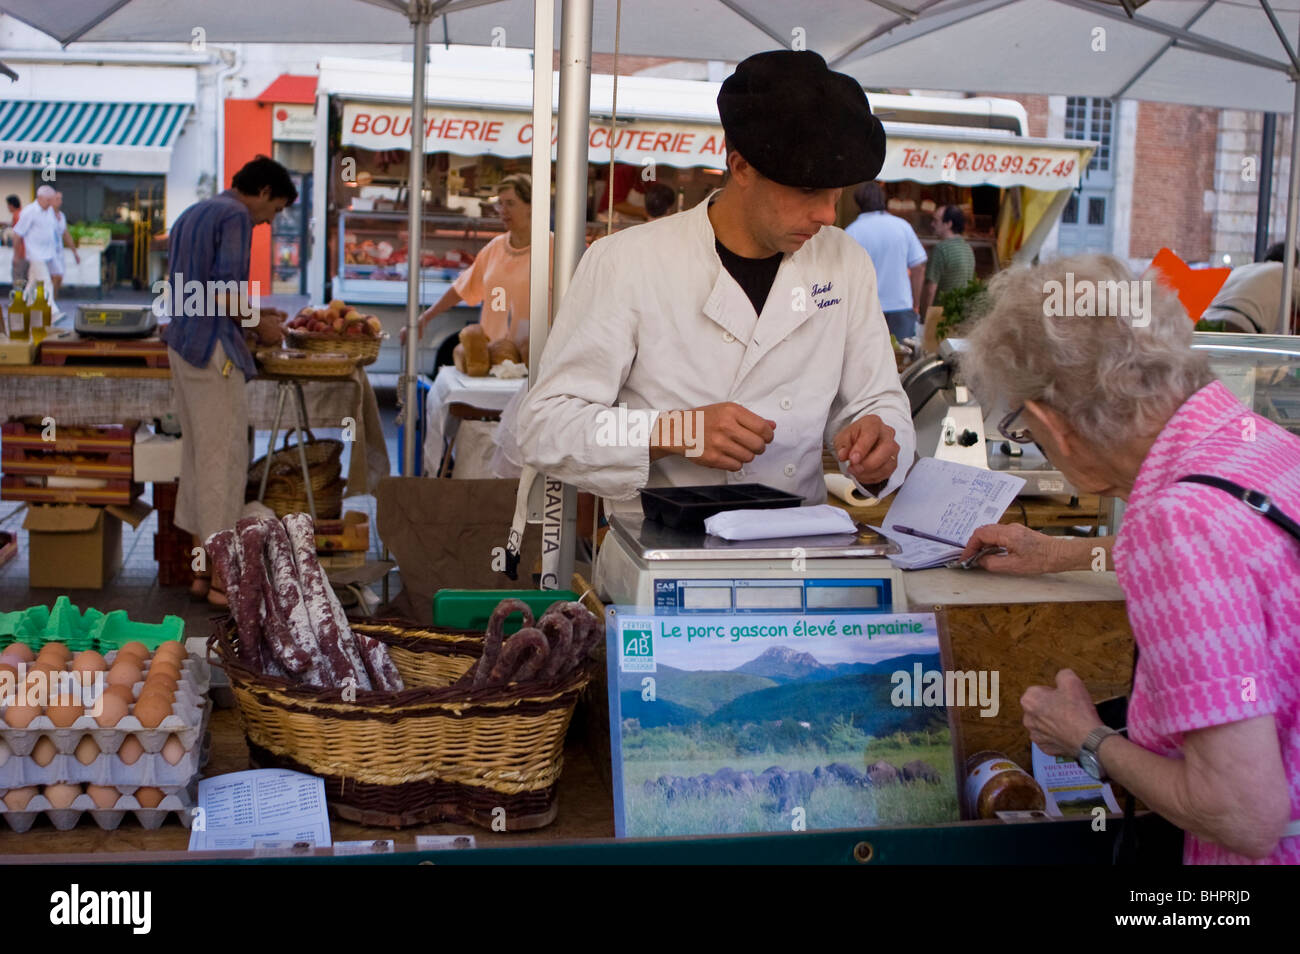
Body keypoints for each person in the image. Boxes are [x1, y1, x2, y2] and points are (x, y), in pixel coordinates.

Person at [956, 253, 1299, 864]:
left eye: (1024, 431)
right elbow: (1238, 559)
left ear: (1051, 425)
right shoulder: (1257, 445)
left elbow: (1244, 814)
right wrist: (1058, 551)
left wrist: (1085, 737)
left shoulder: (1174, 523)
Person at [516, 50, 913, 515]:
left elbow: (876, 399)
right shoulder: (626, 261)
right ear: (741, 167)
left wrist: (878, 442)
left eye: (837, 193)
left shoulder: (846, 263)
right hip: (664, 559)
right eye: (808, 191)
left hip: (798, 551)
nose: (827, 215)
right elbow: (545, 426)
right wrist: (674, 431)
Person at [162, 156, 297, 604]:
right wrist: (261, 325)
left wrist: (256, 316)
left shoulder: (193, 212)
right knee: (223, 460)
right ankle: (223, 580)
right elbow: (225, 293)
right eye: (274, 209)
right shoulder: (236, 214)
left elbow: (199, 287)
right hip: (213, 351)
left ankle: (202, 572)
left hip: (183, 345)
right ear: (261, 193)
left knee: (199, 459)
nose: (268, 221)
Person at [409, 173, 548, 348]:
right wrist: (425, 318)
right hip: (492, 353)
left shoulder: (553, 249)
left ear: (531, 206)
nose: (503, 211)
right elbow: (463, 287)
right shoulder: (495, 248)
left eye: (510, 204)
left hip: (535, 356)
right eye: (500, 204)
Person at [844, 182, 927, 341]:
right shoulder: (902, 227)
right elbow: (918, 268)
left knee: (866, 361)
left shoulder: (852, 232)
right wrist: (916, 304)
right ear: (883, 199)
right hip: (901, 305)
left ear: (858, 202)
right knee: (902, 361)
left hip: (864, 309)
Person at [1200, 242, 1299, 333]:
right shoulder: (1288, 272)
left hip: (1205, 320)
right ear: (1294, 264)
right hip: (1237, 323)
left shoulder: (1245, 268)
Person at [918, 204, 975, 316]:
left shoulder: (941, 249)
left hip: (940, 317)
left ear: (948, 224)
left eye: (936, 221)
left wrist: (925, 317)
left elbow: (930, 289)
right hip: (960, 314)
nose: (932, 224)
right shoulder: (968, 248)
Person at [12, 186, 58, 299]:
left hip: (47, 254)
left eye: (51, 200)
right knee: (46, 282)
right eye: (48, 200)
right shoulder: (29, 211)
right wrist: (16, 255)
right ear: (40, 198)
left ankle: (24, 302)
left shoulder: (50, 211)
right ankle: (52, 311)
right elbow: (17, 234)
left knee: (32, 284)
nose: (50, 203)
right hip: (34, 254)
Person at [49, 191, 80, 301]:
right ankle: (50, 302)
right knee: (54, 277)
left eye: (61, 199)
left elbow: (66, 235)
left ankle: (53, 300)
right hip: (47, 252)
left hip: (59, 252)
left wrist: (75, 252)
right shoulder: (46, 215)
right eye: (57, 199)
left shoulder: (62, 216)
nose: (60, 202)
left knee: (59, 278)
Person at [7, 194, 26, 288]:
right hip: (28, 252)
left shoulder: (16, 216)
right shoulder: (23, 213)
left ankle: (18, 300)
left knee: (18, 279)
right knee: (26, 279)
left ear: (11, 205)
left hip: (21, 252)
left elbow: (18, 236)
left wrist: (16, 256)